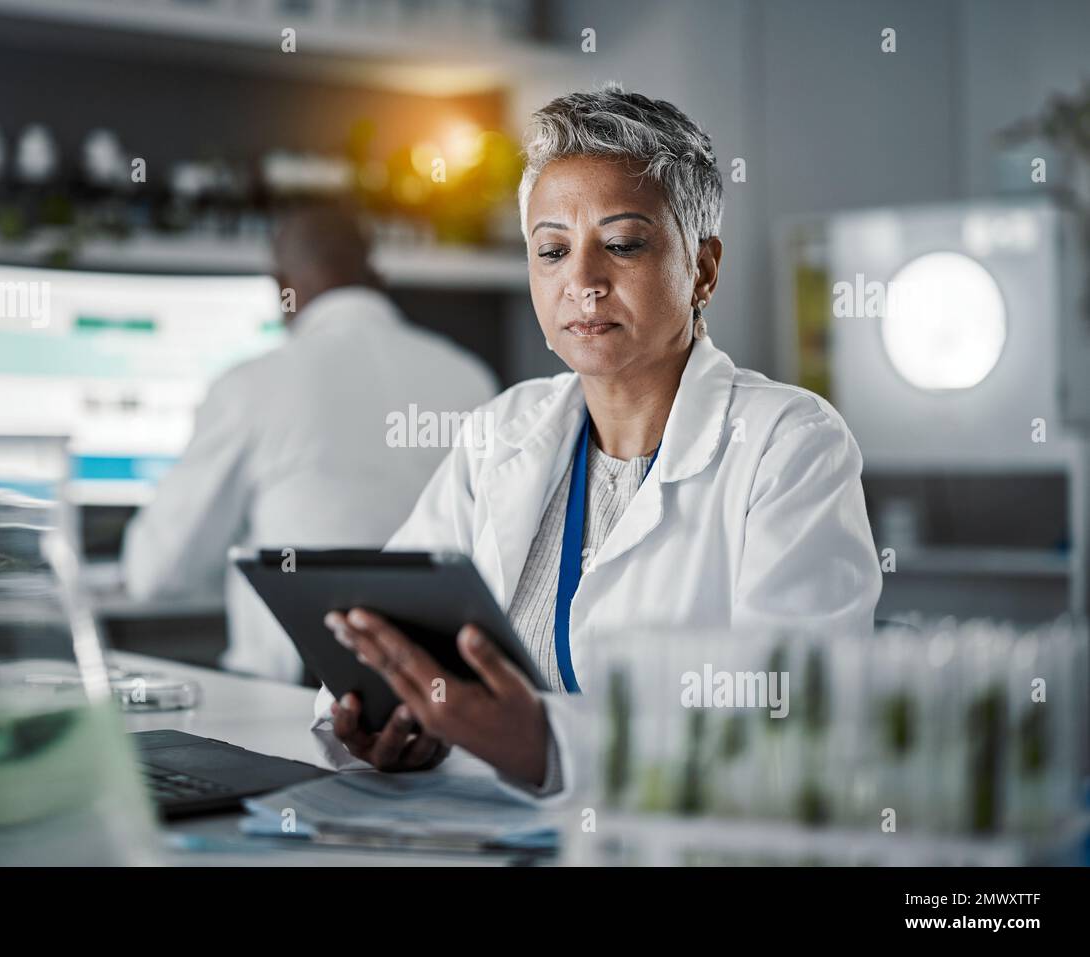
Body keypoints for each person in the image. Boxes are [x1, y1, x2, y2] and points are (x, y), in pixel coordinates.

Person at [315, 85, 883, 795]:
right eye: (552, 250)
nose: (582, 281)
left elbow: (792, 722)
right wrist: (386, 723)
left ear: (703, 268)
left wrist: (552, 747)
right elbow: (383, 631)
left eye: (620, 244)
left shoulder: (788, 444)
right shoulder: (502, 432)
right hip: (486, 826)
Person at [122, 205, 498, 681]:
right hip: (439, 692)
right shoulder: (469, 378)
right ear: (377, 278)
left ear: (281, 288)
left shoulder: (250, 386)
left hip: (292, 698)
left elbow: (157, 574)